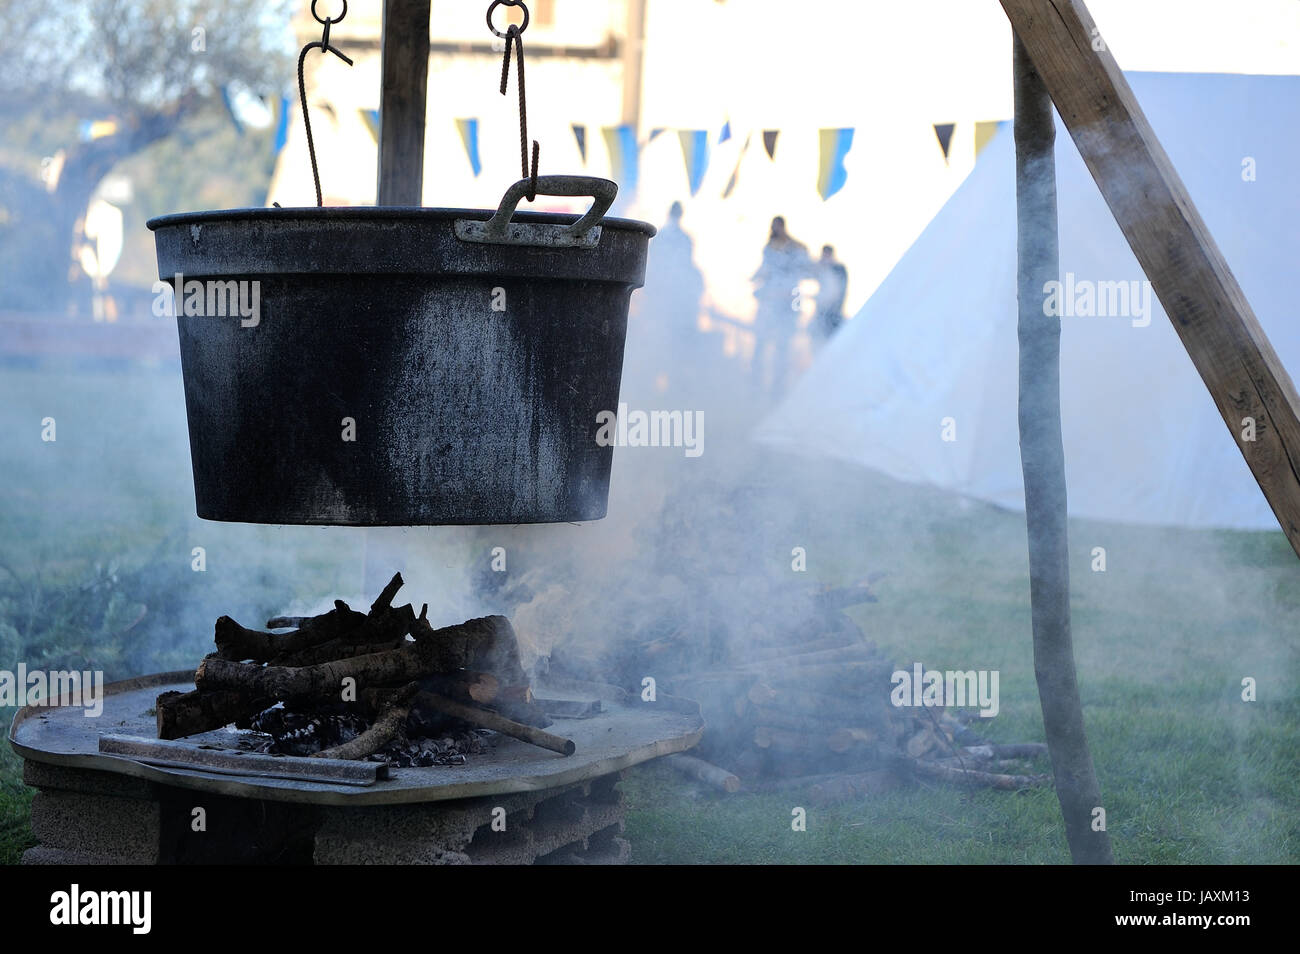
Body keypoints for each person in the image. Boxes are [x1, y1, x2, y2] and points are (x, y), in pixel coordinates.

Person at [750, 216, 812, 397]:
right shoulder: (769, 249)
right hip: (770, 305)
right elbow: (764, 270)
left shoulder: (797, 249)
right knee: (761, 345)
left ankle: (777, 390)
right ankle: (756, 386)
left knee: (782, 348)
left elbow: (804, 268)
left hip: (788, 305)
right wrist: (755, 280)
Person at [813, 245, 848, 344]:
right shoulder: (821, 269)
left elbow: (839, 291)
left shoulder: (838, 269)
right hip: (822, 311)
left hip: (834, 311)